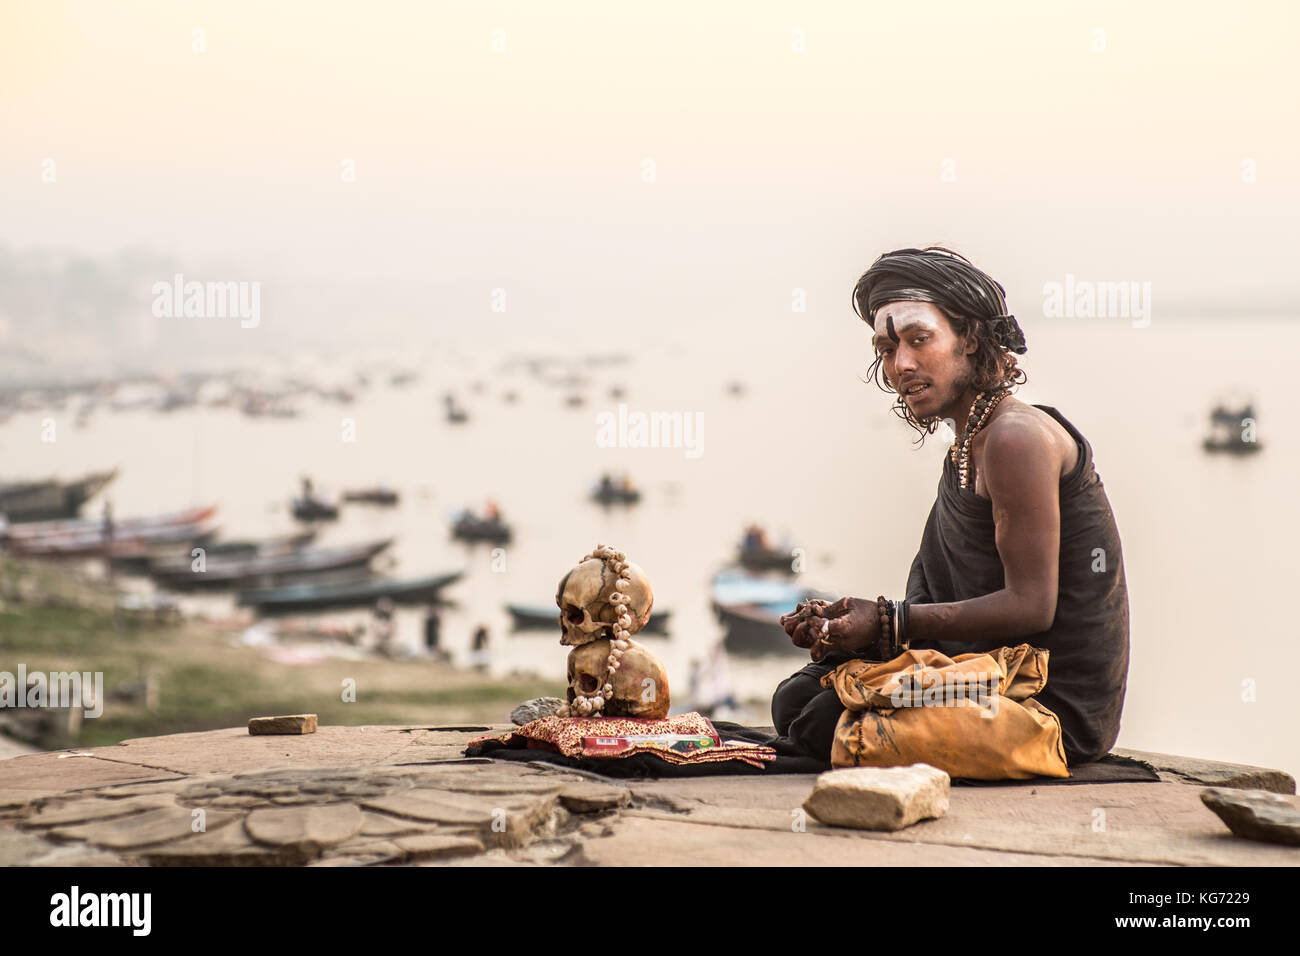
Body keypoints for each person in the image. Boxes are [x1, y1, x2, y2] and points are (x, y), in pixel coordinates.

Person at [772, 246, 1129, 768]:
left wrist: (890, 621)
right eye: (887, 349)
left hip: (1045, 704)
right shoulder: (967, 442)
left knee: (824, 722)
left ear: (971, 339)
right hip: (983, 668)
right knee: (795, 701)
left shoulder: (1015, 438)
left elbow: (1032, 606)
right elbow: (948, 596)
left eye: (919, 340)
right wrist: (855, 627)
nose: (901, 365)